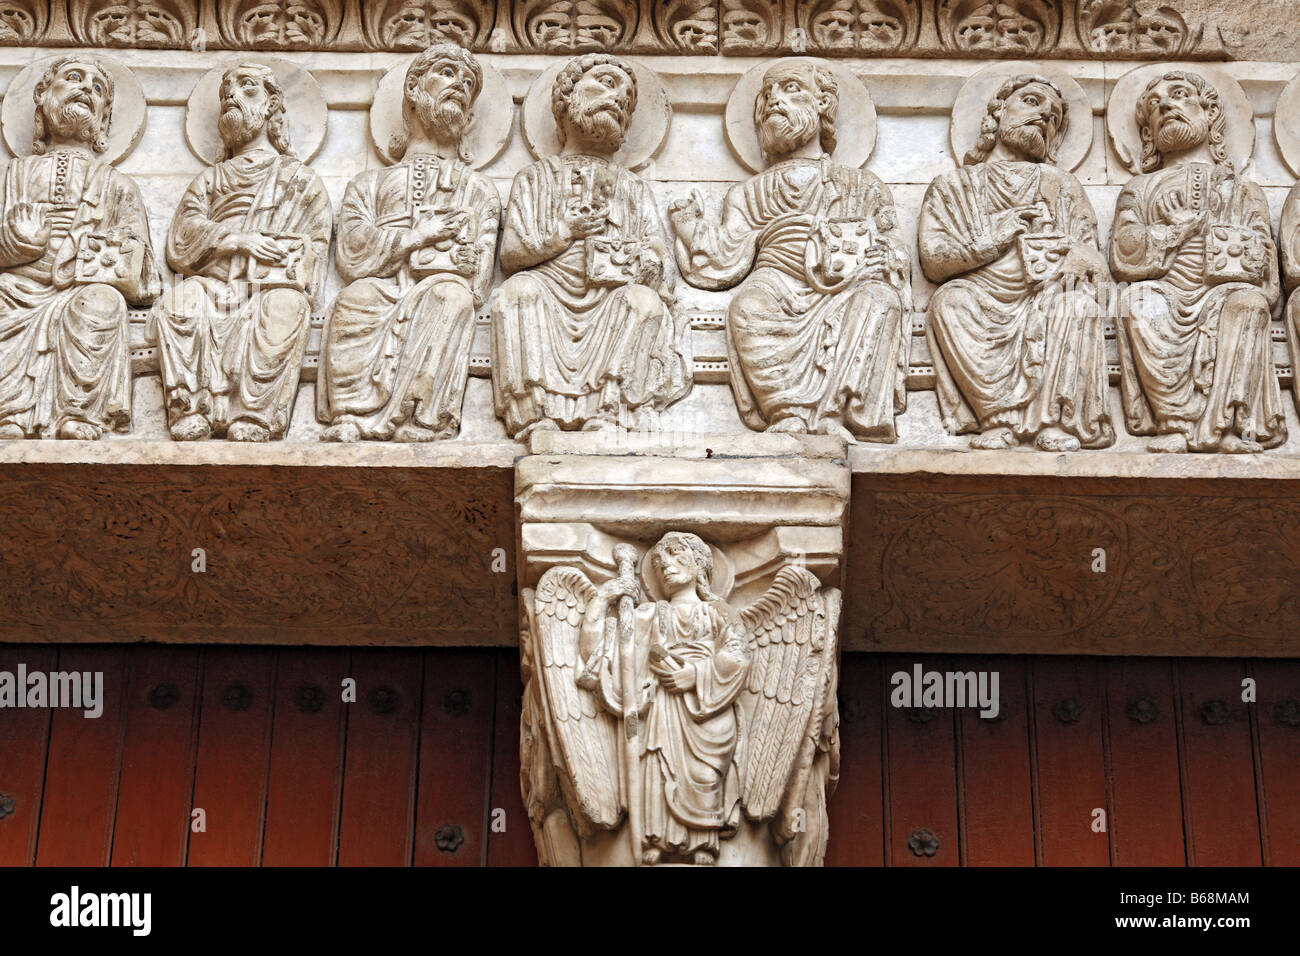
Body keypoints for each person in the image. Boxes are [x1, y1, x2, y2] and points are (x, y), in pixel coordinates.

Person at [671, 58, 910, 442]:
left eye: (790, 88)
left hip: (844, 283)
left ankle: (836, 411)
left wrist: (888, 258)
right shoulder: (748, 192)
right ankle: (788, 412)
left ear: (822, 105)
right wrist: (691, 229)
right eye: (767, 95)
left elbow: (891, 243)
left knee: (880, 300)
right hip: (775, 279)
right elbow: (723, 257)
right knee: (747, 307)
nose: (774, 102)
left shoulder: (861, 184)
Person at [491, 53, 690, 439]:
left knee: (643, 303)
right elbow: (512, 255)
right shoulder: (534, 178)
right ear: (566, 98)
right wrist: (566, 230)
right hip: (548, 287)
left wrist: (646, 263)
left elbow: (658, 256)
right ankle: (535, 414)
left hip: (610, 294)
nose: (616, 98)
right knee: (516, 291)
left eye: (627, 98)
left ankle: (610, 409)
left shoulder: (632, 186)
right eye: (604, 83)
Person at [919, 74, 1114, 451]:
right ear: (996, 112)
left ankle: (1056, 420)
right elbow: (934, 260)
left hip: (1047, 295)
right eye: (1030, 102)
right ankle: (996, 417)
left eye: (1054, 117)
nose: (1043, 116)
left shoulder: (1062, 184)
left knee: (1077, 305)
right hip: (980, 293)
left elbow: (1094, 262)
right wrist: (996, 236)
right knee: (948, 302)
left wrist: (1078, 259)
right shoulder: (954, 185)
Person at [318, 43, 500, 442]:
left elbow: (481, 275)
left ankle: (425, 419)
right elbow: (350, 253)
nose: (460, 85)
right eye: (447, 73)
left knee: (452, 298)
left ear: (469, 119)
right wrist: (417, 237)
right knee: (356, 298)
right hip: (381, 284)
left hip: (443, 286)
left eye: (468, 81)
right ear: (414, 90)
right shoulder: (369, 182)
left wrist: (470, 261)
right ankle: (351, 414)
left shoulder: (479, 188)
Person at [154, 62, 332, 442]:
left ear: (271, 107)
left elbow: (315, 246)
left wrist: (280, 260)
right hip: (214, 284)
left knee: (287, 307)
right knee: (179, 301)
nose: (231, 96)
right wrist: (234, 238)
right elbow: (180, 240)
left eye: (247, 87)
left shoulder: (301, 180)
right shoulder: (211, 178)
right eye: (225, 92)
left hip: (270, 287)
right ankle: (192, 406)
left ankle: (255, 413)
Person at [0, 56, 160, 440]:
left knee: (101, 302)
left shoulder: (118, 185)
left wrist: (111, 262)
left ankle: (78, 413)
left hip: (84, 289)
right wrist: (15, 245)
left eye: (98, 88)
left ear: (104, 119)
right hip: (17, 288)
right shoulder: (12, 175)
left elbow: (146, 274)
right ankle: (11, 412)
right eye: (73, 78)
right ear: (43, 97)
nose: (86, 88)